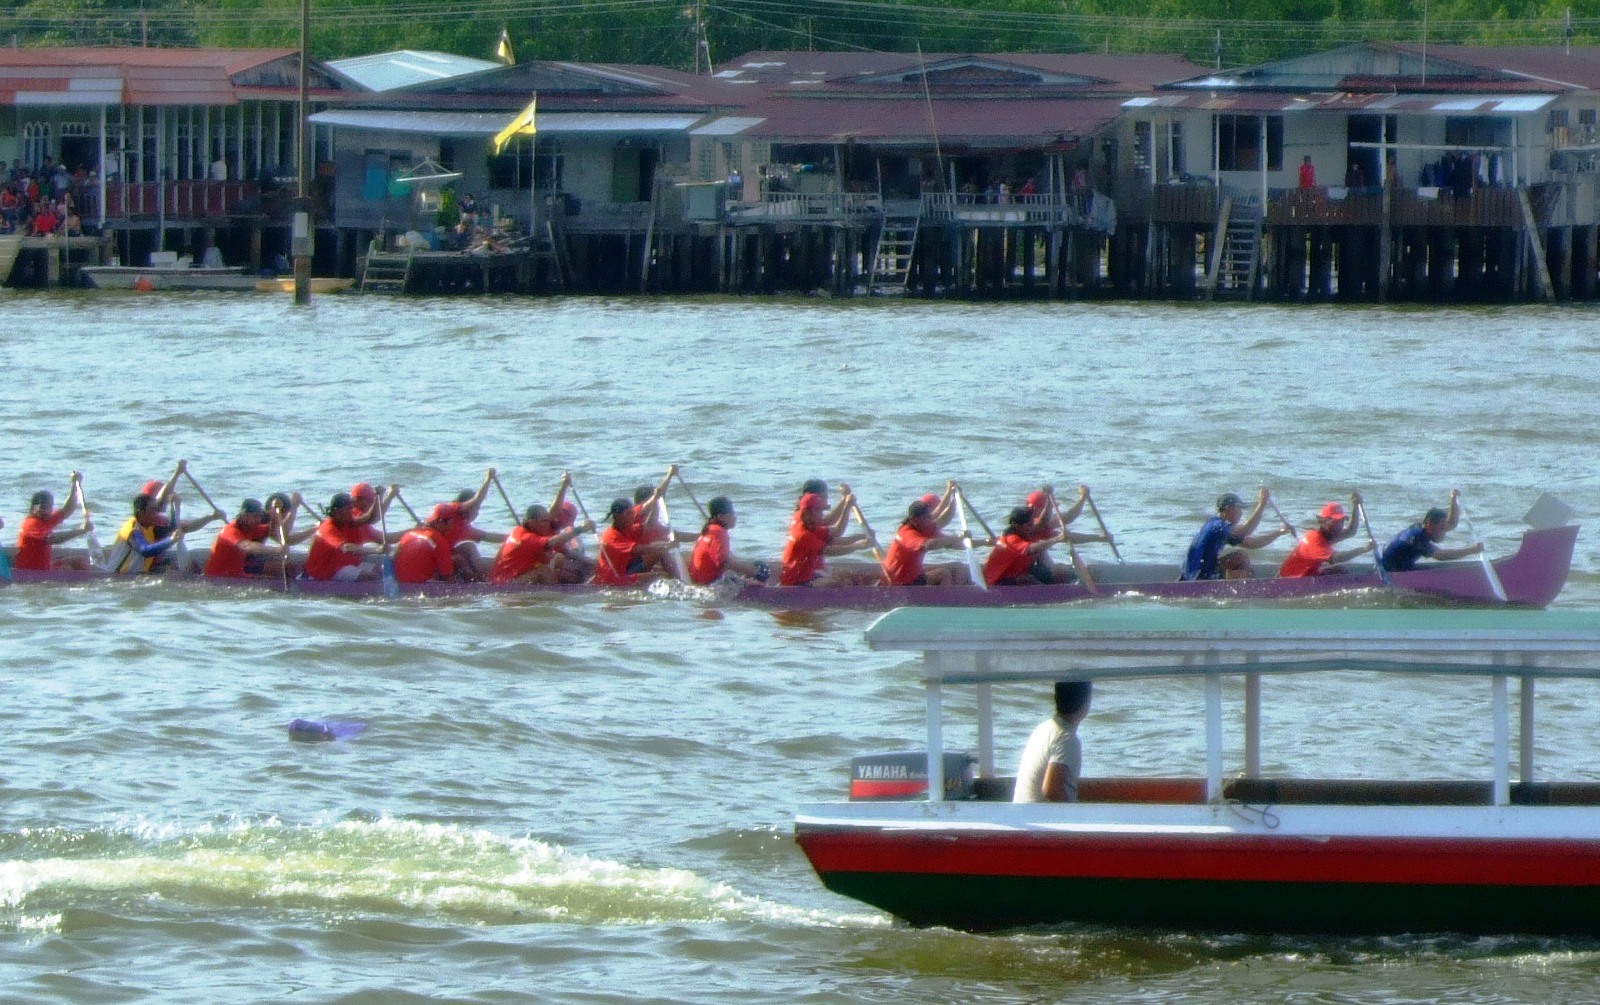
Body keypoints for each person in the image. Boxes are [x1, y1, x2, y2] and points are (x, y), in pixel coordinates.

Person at [1180, 488, 1287, 581]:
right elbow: (1245, 531)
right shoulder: (1217, 526)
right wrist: (1262, 504)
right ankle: (1245, 588)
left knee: (1239, 557)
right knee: (1241, 558)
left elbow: (1252, 544)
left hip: (1200, 572)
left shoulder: (1220, 527)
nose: (1241, 513)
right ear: (1228, 509)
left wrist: (1279, 532)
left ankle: (1236, 580)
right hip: (1197, 577)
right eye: (1239, 509)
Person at [1014, 681, 1092, 803]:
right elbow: (1052, 790)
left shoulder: (1043, 728)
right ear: (1086, 704)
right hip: (1041, 817)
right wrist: (1077, 812)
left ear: (1056, 698)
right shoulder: (1067, 738)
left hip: (1023, 813)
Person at [882, 490, 977, 586]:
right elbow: (929, 545)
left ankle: (956, 594)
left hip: (907, 574)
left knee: (958, 567)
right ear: (914, 520)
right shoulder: (907, 533)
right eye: (927, 518)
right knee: (944, 574)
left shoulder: (922, 527)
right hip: (902, 580)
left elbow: (945, 520)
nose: (930, 521)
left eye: (929, 517)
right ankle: (946, 599)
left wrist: (985, 543)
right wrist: (959, 537)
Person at [778, 489, 870, 587]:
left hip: (809, 574)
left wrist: (862, 537)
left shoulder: (808, 525)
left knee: (851, 574)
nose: (822, 515)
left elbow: (836, 532)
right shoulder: (803, 535)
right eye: (820, 511)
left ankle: (865, 589)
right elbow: (831, 551)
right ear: (809, 512)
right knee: (839, 583)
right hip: (796, 583)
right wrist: (858, 546)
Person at [1380, 490, 1485, 572]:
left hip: (1401, 566)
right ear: (1430, 525)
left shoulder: (1423, 528)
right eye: (1442, 528)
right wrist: (1472, 550)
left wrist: (1453, 499)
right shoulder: (1417, 538)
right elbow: (1442, 556)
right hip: (1393, 571)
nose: (1444, 532)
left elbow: (1452, 523)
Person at [489, 504, 594, 585]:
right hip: (506, 584)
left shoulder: (520, 530)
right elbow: (551, 542)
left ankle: (555, 585)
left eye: (548, 520)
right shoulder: (526, 537)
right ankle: (556, 595)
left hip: (512, 576)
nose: (548, 524)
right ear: (532, 522)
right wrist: (581, 529)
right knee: (543, 570)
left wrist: (594, 562)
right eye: (544, 521)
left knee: (559, 558)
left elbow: (565, 552)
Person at [1278, 495, 1374, 578]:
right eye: (1335, 522)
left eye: (1341, 522)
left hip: (1306, 575)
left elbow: (1350, 531)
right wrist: (1363, 549)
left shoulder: (1328, 534)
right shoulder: (1314, 539)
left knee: (1338, 570)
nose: (1339, 526)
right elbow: (1335, 559)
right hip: (1291, 581)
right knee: (1339, 571)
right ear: (1322, 521)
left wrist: (1355, 506)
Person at [592, 498, 680, 587]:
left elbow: (649, 526)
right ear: (618, 516)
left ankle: (679, 581)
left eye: (632, 512)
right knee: (661, 575)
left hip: (626, 569)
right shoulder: (611, 535)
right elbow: (639, 550)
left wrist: (656, 502)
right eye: (629, 513)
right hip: (613, 580)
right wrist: (667, 546)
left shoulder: (627, 529)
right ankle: (678, 586)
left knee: (659, 548)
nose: (632, 516)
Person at [14, 474, 91, 571]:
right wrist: (81, 530)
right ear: (33, 508)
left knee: (79, 562)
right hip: (31, 573)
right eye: (42, 507)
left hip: (45, 568)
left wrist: (74, 485)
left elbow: (67, 509)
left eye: (49, 507)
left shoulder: (46, 519)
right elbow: (52, 539)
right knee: (66, 569)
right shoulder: (31, 524)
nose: (46, 511)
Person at [302, 492, 386, 581]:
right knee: (371, 577)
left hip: (340, 566)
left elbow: (370, 518)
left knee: (379, 570)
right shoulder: (327, 529)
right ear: (337, 511)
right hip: (322, 573)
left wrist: (378, 496)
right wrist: (377, 550)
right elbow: (347, 548)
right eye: (349, 509)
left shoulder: (344, 521)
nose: (352, 512)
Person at [687, 496, 769, 586]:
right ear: (721, 516)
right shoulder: (719, 532)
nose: (735, 517)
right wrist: (753, 572)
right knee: (759, 576)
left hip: (698, 581)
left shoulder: (709, 529)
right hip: (709, 585)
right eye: (732, 513)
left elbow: (724, 561)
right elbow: (725, 563)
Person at [106, 492, 190, 574]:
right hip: (118, 577)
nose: (156, 513)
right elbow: (145, 550)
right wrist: (170, 540)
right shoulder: (132, 529)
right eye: (152, 509)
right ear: (141, 512)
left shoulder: (148, 526)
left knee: (173, 568)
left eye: (156, 509)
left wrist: (175, 506)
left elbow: (171, 529)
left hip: (137, 575)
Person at [203, 498, 289, 578]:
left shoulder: (251, 527)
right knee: (278, 568)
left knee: (286, 566)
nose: (259, 520)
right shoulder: (229, 531)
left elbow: (271, 530)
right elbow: (247, 546)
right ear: (244, 516)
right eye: (255, 516)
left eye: (260, 516)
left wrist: (275, 515)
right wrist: (276, 550)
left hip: (237, 576)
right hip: (218, 579)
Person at [983, 507, 1068, 586]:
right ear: (1017, 526)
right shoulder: (1010, 540)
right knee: (1026, 579)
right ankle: (1049, 594)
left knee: (1059, 570)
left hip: (1012, 574)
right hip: (995, 582)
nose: (1032, 528)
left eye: (1032, 524)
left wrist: (1049, 501)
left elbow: (1043, 522)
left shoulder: (1025, 535)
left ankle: (1061, 587)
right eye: (1029, 525)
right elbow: (1030, 549)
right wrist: (1057, 539)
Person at [392, 502, 470, 584]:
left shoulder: (409, 534)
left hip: (399, 583)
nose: (452, 527)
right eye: (451, 522)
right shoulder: (439, 541)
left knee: (457, 560)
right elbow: (448, 578)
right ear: (440, 522)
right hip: (419, 588)